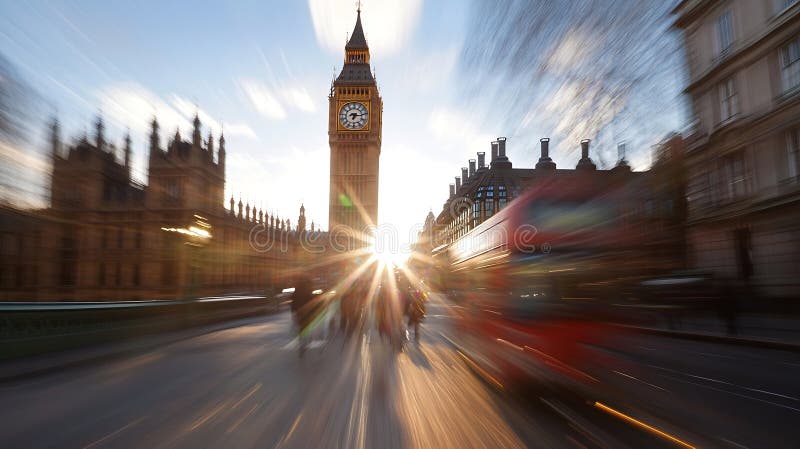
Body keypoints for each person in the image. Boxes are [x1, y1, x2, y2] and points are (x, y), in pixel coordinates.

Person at [290, 272, 315, 356]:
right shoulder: (308, 288)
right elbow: (311, 299)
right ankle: (306, 339)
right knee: (306, 325)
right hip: (307, 310)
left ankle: (301, 342)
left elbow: (293, 300)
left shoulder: (297, 288)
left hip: (299, 311)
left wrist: (293, 311)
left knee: (301, 327)